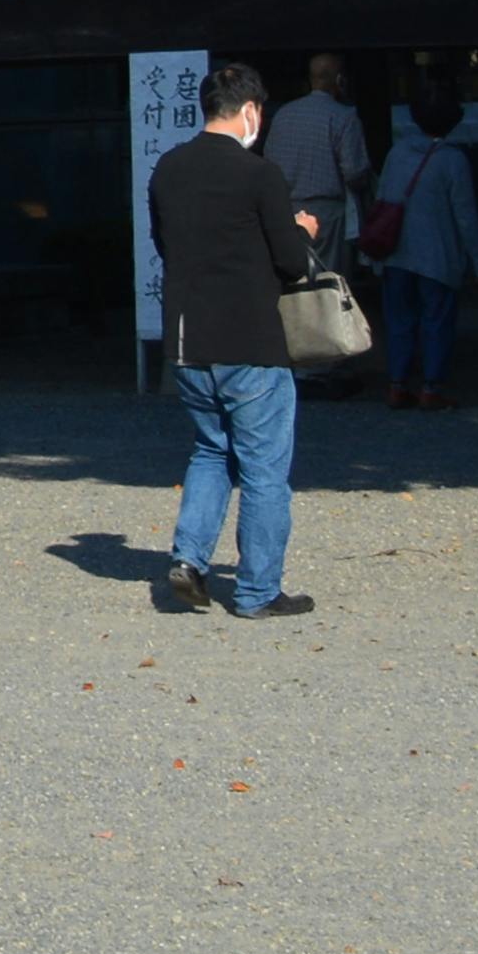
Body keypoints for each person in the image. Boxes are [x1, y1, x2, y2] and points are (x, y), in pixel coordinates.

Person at [148, 59, 324, 619]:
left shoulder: (168, 169)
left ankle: (190, 558)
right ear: (250, 111)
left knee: (209, 449)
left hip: (186, 339)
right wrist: (303, 229)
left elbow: (164, 244)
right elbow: (292, 262)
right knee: (264, 469)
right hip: (249, 340)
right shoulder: (259, 175)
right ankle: (256, 591)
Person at [366, 74, 478, 411]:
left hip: (396, 252)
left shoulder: (397, 153)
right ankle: (432, 387)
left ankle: (397, 383)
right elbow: (466, 216)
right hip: (438, 255)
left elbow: (382, 199)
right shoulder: (453, 160)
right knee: (437, 321)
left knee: (399, 320)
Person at [264, 51, 378, 228]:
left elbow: (268, 164)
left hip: (286, 212)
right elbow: (354, 173)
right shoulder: (344, 117)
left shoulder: (282, 115)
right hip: (327, 215)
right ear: (340, 79)